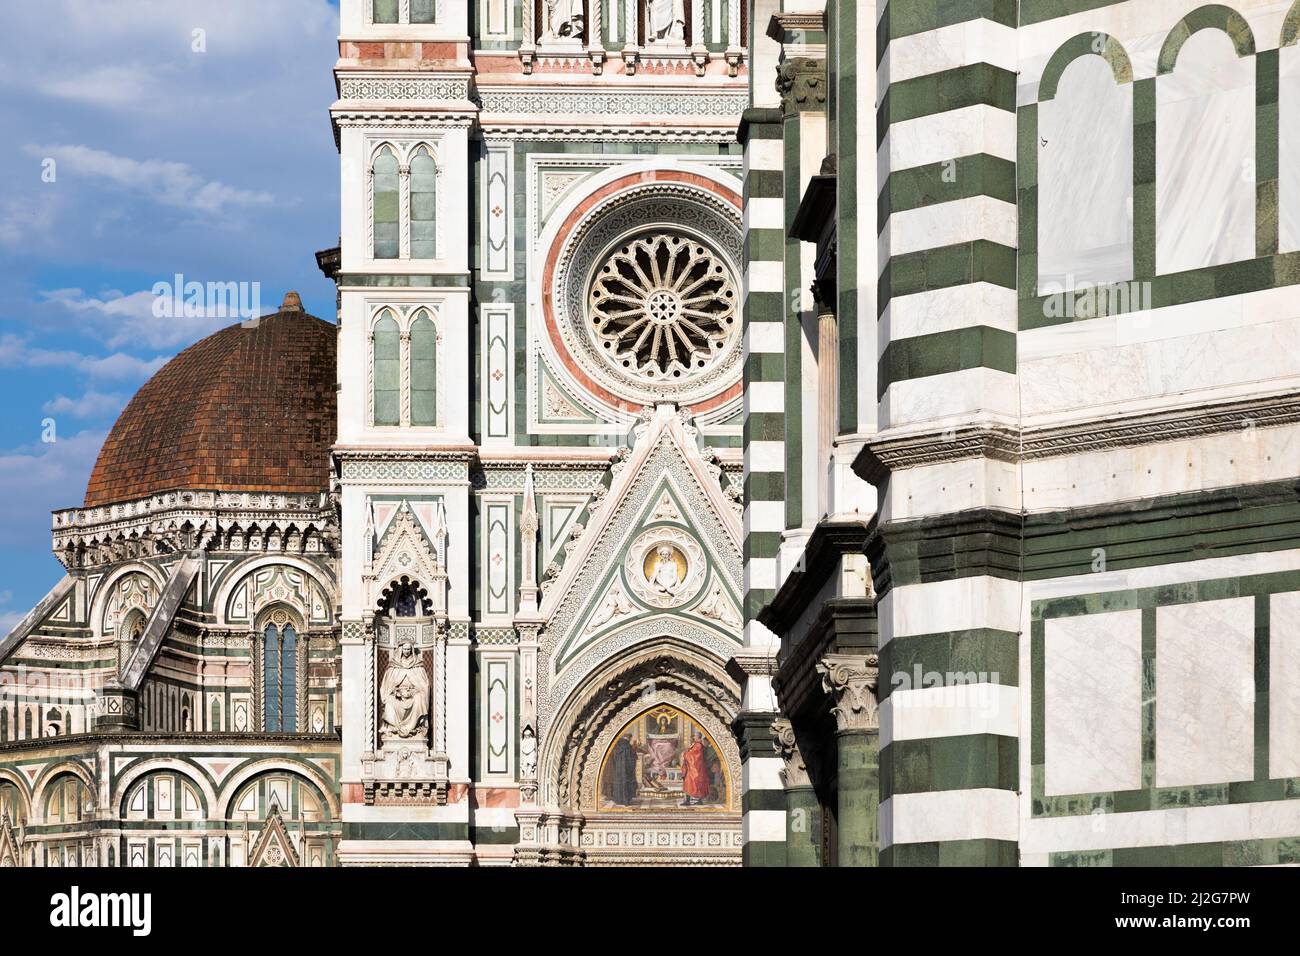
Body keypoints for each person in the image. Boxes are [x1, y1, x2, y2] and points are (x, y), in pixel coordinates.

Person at [607, 732, 640, 806]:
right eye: (630, 738)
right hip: (626, 769)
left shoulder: (617, 745)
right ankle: (626, 800)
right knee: (626, 782)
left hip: (618, 769)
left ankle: (618, 800)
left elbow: (614, 757)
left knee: (619, 782)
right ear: (628, 738)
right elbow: (631, 759)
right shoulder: (628, 747)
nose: (630, 740)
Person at [680, 732, 711, 806]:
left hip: (696, 769)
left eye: (694, 736)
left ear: (698, 737)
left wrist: (685, 754)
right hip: (695, 768)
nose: (693, 737)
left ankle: (688, 801)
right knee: (694, 784)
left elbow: (694, 756)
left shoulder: (698, 745)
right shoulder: (696, 744)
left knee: (690, 783)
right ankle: (695, 800)